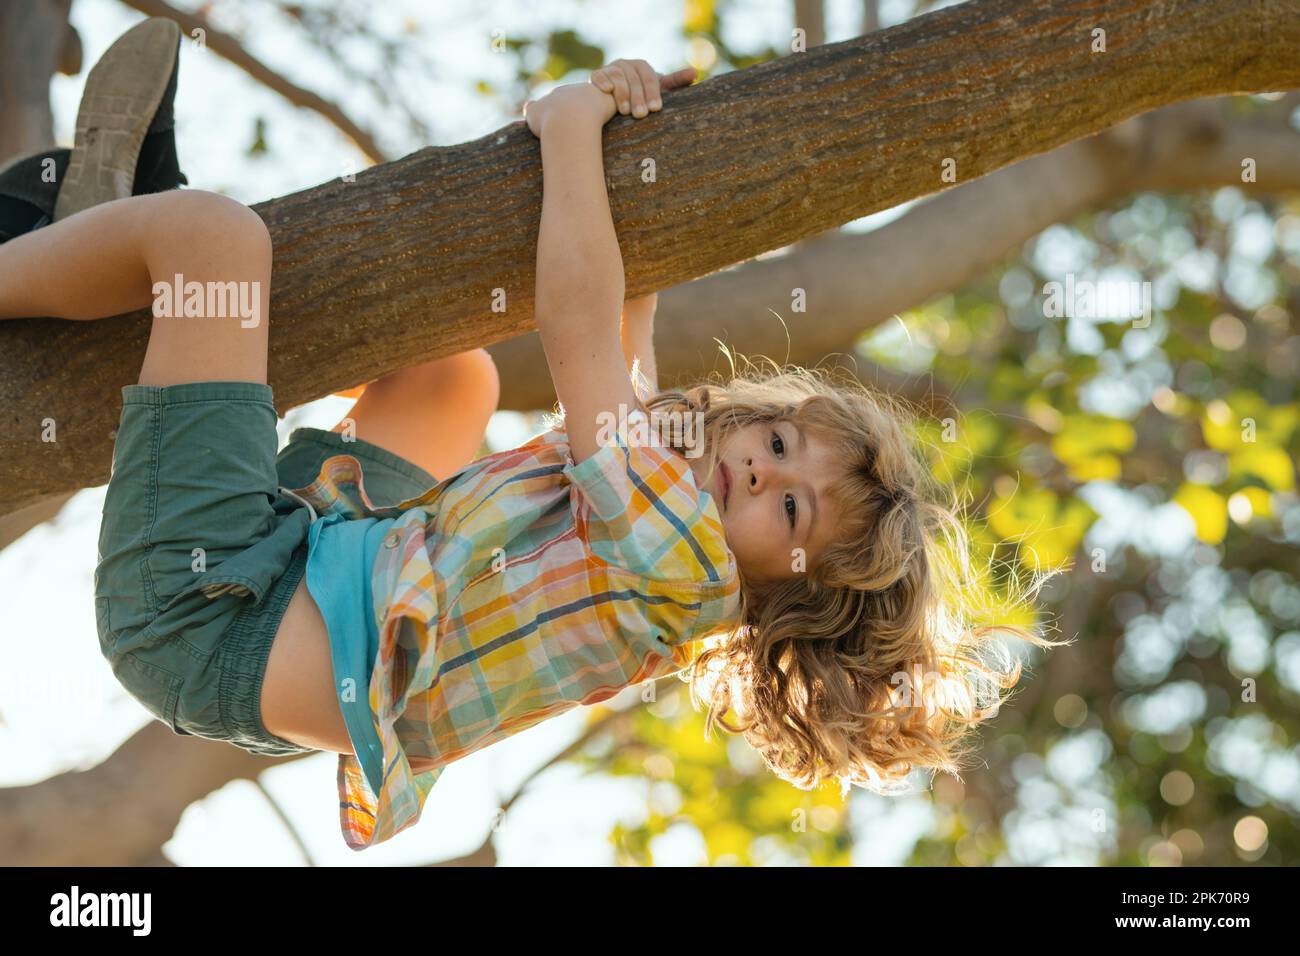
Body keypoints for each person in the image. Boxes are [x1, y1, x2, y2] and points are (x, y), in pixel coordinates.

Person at [0, 22, 1055, 850]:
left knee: (212, 237)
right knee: (452, 372)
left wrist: (563, 128)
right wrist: (639, 148)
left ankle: (133, 261)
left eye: (789, 504)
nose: (754, 462)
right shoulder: (670, 551)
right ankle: (149, 290)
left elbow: (582, 330)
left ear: (789, 592)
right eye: (777, 440)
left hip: (205, 609)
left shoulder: (676, 559)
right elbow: (628, 351)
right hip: (299, 575)